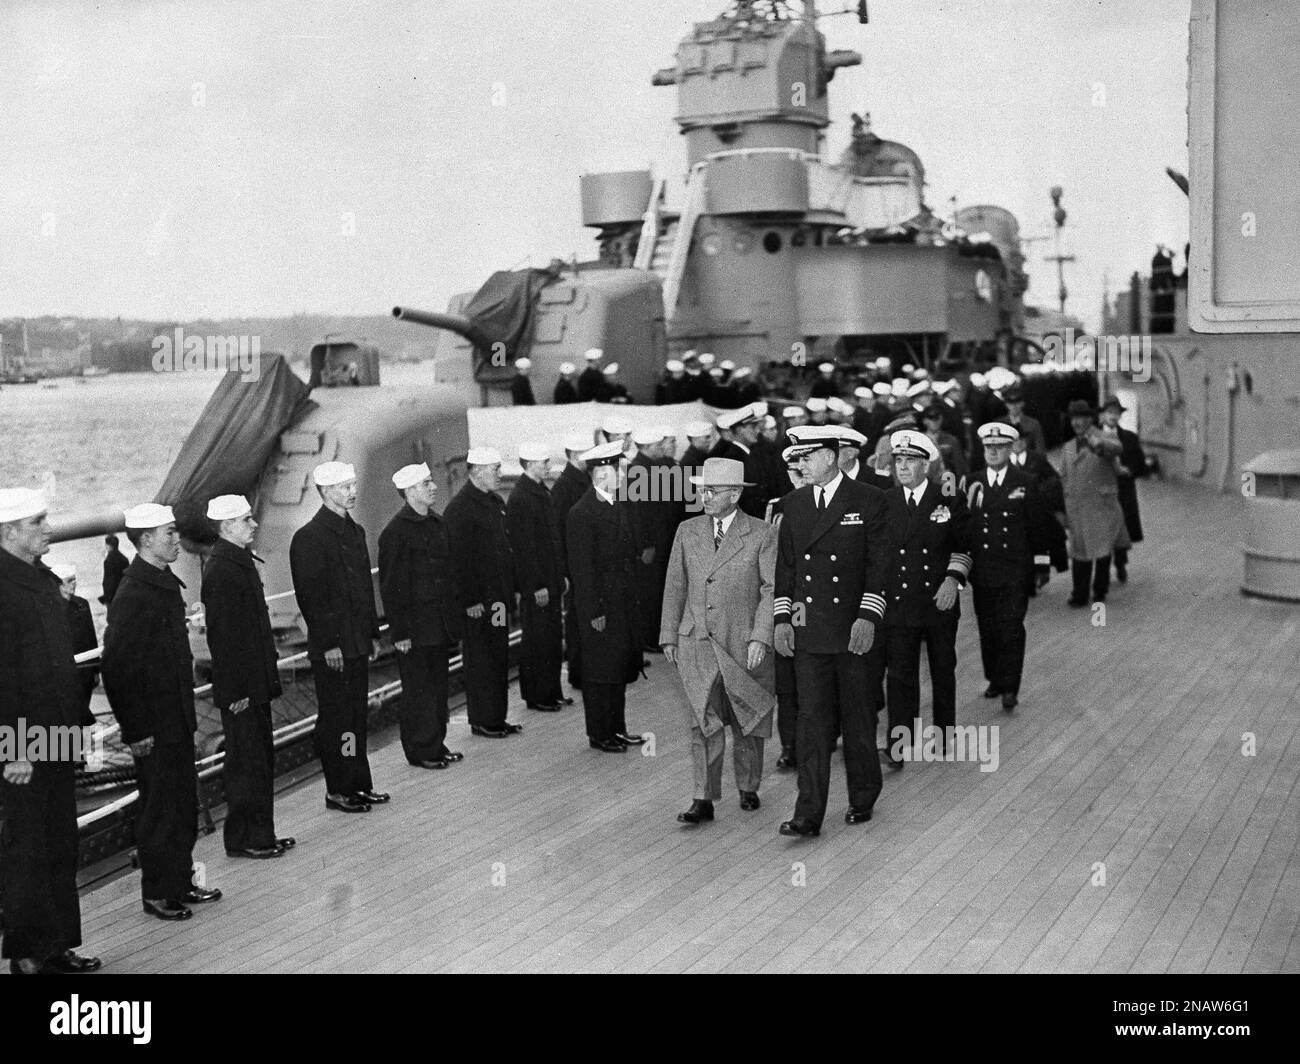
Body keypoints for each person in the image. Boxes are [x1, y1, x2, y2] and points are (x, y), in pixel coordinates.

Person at [103, 502, 222, 921]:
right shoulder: (133, 592)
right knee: (159, 810)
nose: (177, 540)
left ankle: (181, 880)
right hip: (154, 725)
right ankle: (157, 891)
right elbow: (116, 668)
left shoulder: (161, 582)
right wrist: (136, 730)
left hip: (176, 718)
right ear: (147, 540)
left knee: (181, 804)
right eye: (170, 533)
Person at [0, 488, 101, 973]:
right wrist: (16, 750)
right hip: (23, 741)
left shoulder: (41, 580)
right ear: (9, 532)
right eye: (38, 521)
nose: (48, 528)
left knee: (61, 840)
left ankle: (57, 944)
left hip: (56, 732)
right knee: (28, 847)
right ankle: (27, 953)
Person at [773, 425, 889, 837]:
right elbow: (787, 567)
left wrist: (868, 616)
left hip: (854, 630)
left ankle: (863, 794)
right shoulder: (795, 503)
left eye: (807, 457)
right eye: (797, 458)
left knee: (858, 717)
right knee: (811, 722)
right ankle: (808, 812)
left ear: (832, 455)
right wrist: (783, 619)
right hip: (811, 632)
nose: (800, 465)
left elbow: (880, 565)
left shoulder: (870, 500)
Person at [661, 458, 776, 824]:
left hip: (742, 643)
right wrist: (668, 635)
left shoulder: (761, 534)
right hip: (696, 642)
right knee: (702, 720)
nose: (704, 497)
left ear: (736, 494)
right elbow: (674, 585)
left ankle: (748, 786)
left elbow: (771, 591)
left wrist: (761, 636)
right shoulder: (687, 531)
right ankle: (703, 797)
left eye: (711, 491)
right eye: (702, 490)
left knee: (747, 716)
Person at [289, 462, 388, 813]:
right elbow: (310, 598)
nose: (352, 491)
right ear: (326, 491)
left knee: (356, 716)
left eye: (353, 485)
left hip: (357, 642)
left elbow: (363, 589)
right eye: (345, 487)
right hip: (333, 647)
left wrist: (373, 633)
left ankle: (360, 783)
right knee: (337, 720)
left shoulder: (355, 531)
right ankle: (339, 789)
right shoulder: (309, 538)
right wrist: (328, 642)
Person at [201, 495, 294, 858]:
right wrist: (237, 690)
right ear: (226, 527)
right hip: (243, 688)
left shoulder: (236, 562)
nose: (254, 525)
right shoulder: (223, 570)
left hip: (254, 682)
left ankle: (260, 833)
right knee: (246, 763)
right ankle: (247, 839)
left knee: (259, 759)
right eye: (246, 520)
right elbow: (222, 638)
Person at [878, 431, 971, 766]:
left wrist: (953, 580)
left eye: (910, 461)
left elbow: (964, 546)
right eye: (898, 461)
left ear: (926, 465)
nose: (902, 467)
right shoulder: (884, 502)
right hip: (900, 603)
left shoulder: (946, 499)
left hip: (938, 601)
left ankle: (945, 732)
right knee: (900, 675)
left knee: (942, 668)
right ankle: (898, 746)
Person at [966, 425, 1067, 711]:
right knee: (988, 629)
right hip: (983, 571)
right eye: (988, 447)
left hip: (1014, 570)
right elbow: (965, 528)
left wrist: (1042, 564)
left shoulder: (1024, 482)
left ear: (1010, 449)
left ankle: (1010, 687)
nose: (993, 452)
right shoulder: (972, 482)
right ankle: (995, 679)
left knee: (1010, 628)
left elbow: (1038, 525)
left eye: (999, 446)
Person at [378, 464, 465, 771]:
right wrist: (399, 633)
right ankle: (420, 750)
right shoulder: (395, 533)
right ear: (411, 490)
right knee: (418, 691)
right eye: (426, 483)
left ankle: (436, 743)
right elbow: (392, 588)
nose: (433, 487)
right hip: (414, 629)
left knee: (438, 687)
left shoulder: (436, 524)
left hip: (438, 624)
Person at [566, 441, 645, 752]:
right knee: (600, 672)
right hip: (600, 607)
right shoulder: (582, 513)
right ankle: (600, 734)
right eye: (619, 469)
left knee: (617, 667)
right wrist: (593, 611)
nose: (624, 473)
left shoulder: (616, 504)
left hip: (621, 603)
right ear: (601, 473)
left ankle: (617, 728)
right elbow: (582, 570)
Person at [444, 448, 521, 737]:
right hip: (479, 604)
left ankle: (496, 717)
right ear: (476, 472)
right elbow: (458, 562)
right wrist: (470, 600)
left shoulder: (494, 502)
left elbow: (504, 551)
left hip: (499, 600)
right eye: (494, 469)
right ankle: (482, 720)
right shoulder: (460, 510)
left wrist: (511, 590)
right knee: (480, 661)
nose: (500, 474)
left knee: (498, 656)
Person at [506, 443, 566, 712]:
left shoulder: (539, 491)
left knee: (551, 637)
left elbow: (552, 541)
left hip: (550, 580)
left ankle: (551, 690)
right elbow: (524, 548)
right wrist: (536, 584)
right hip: (538, 585)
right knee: (537, 640)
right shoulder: (521, 498)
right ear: (529, 465)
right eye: (543, 462)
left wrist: (559, 576)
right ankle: (538, 694)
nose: (548, 466)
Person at [1059, 400, 1127, 606]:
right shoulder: (1068, 447)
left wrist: (1099, 444)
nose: (1077, 423)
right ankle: (1079, 594)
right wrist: (1063, 510)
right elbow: (1063, 477)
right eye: (1074, 419)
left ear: (1090, 419)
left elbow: (1116, 448)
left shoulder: (1104, 437)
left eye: (1081, 418)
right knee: (1080, 553)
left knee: (1102, 550)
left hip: (1101, 506)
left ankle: (1100, 590)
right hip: (1077, 508)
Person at [764, 450, 807, 770]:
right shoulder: (777, 508)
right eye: (792, 471)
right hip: (788, 603)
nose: (798, 476)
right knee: (787, 680)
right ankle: (790, 744)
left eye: (802, 469)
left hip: (822, 603)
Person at [552, 435, 593, 693]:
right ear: (573, 455)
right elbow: (559, 532)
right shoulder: (565, 488)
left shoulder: (578, 482)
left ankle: (586, 669)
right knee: (577, 620)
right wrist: (565, 571)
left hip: (581, 563)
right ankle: (579, 672)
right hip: (574, 566)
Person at [1099, 396, 1147, 582]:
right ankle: (1103, 568)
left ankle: (1120, 562)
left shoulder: (1129, 438)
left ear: (1120, 416)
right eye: (1109, 412)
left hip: (1122, 490)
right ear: (1103, 415)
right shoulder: (1093, 438)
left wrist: (1130, 470)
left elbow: (1140, 465)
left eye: (1116, 413)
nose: (1112, 416)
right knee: (1103, 531)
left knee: (1120, 529)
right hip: (1101, 490)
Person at [50, 563, 98, 717]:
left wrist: (96, 670)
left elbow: (91, 637)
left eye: (75, 579)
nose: (74, 584)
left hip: (86, 668)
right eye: (69, 580)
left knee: (83, 710)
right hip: (66, 672)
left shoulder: (82, 604)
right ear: (59, 583)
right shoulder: (50, 608)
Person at [713, 401, 773, 519]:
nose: (758, 430)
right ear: (739, 429)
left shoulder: (748, 454)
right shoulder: (733, 458)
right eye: (752, 427)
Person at [1001, 386, 1045, 453]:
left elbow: (1040, 450)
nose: (1014, 406)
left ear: (1022, 403)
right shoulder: (1000, 424)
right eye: (1010, 403)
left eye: (1017, 402)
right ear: (1006, 404)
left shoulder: (1033, 424)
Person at [99, 532, 128, 606]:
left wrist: (107, 598)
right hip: (124, 594)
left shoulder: (108, 561)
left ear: (108, 545)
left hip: (112, 597)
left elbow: (108, 581)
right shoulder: (124, 559)